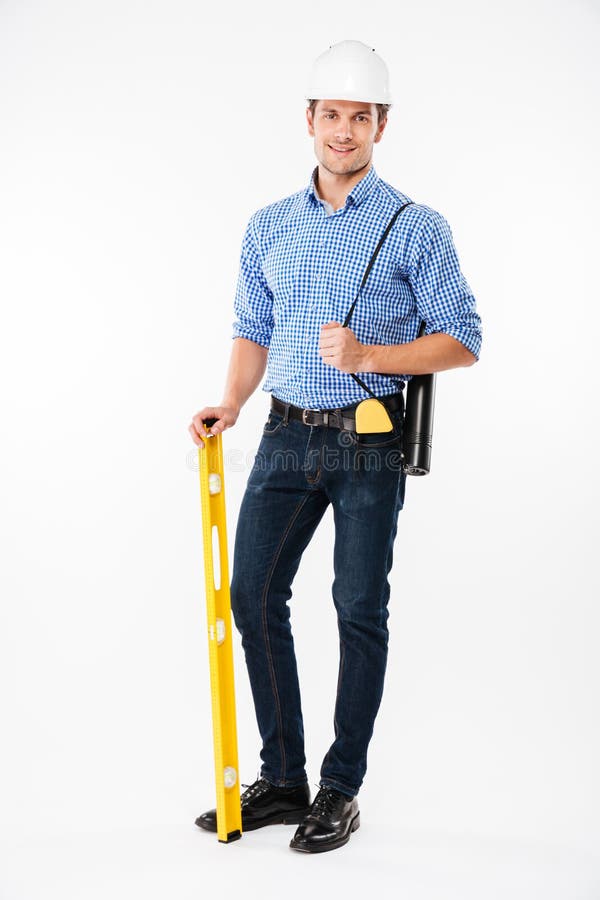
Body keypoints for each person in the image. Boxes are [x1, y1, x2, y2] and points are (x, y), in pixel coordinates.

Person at [189, 39, 482, 854]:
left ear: (381, 125)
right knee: (251, 596)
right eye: (331, 115)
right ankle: (282, 779)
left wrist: (369, 356)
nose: (344, 130)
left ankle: (340, 788)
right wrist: (232, 403)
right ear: (309, 120)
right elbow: (254, 328)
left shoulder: (415, 226)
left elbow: (463, 338)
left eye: (360, 116)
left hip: (369, 440)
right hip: (285, 434)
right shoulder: (270, 226)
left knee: (358, 609)